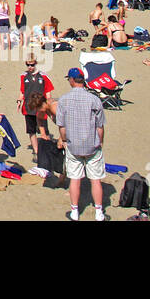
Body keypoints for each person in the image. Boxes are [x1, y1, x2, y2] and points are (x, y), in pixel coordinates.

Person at [56, 68, 106, 221]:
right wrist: (100, 142)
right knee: (95, 180)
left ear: (72, 80)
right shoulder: (94, 99)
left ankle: (74, 211)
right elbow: (100, 126)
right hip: (92, 145)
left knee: (75, 179)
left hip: (73, 145)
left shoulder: (64, 100)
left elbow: (62, 127)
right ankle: (99, 212)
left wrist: (64, 140)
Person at [18, 55, 54, 154]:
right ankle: (36, 151)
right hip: (28, 107)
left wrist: (49, 104)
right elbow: (22, 90)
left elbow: (48, 91)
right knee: (31, 130)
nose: (30, 67)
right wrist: (19, 101)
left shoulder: (43, 76)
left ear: (36, 64)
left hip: (40, 107)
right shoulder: (23, 76)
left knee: (44, 129)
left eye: (32, 65)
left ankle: (47, 150)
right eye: (28, 65)